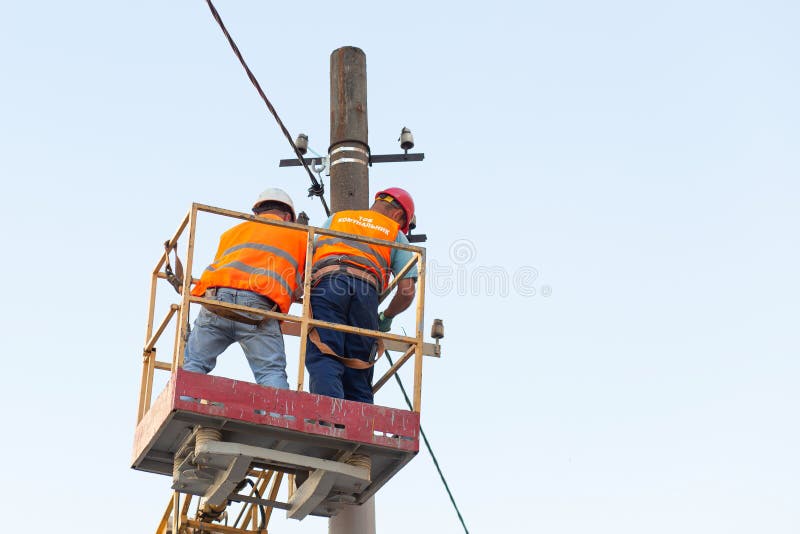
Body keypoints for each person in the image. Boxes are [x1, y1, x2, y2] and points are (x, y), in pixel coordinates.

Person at [183, 188, 306, 389]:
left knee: (194, 363)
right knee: (270, 373)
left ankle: (183, 401)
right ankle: (275, 418)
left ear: (256, 213)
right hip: (258, 308)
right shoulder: (300, 237)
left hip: (216, 301)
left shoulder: (232, 233)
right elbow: (301, 286)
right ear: (287, 216)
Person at [305, 187, 418, 404]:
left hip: (327, 285)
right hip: (366, 293)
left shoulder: (336, 219)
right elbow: (407, 290)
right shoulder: (394, 232)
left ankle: (327, 418)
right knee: (359, 364)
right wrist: (387, 317)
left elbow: (309, 256)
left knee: (324, 351)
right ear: (397, 215)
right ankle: (359, 427)